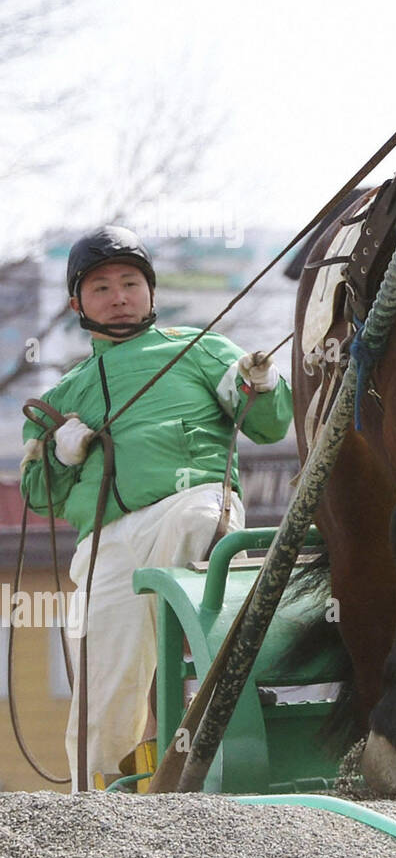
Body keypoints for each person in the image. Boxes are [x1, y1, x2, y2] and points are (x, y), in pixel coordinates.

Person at [19, 226, 293, 789]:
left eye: (130, 282)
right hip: (107, 542)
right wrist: (63, 453)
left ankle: (220, 687)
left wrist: (259, 385)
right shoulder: (61, 394)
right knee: (103, 679)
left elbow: (268, 428)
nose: (119, 296)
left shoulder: (202, 349)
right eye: (101, 287)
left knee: (199, 525)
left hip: (188, 501)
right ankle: (92, 800)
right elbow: (37, 494)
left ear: (150, 292)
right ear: (77, 303)